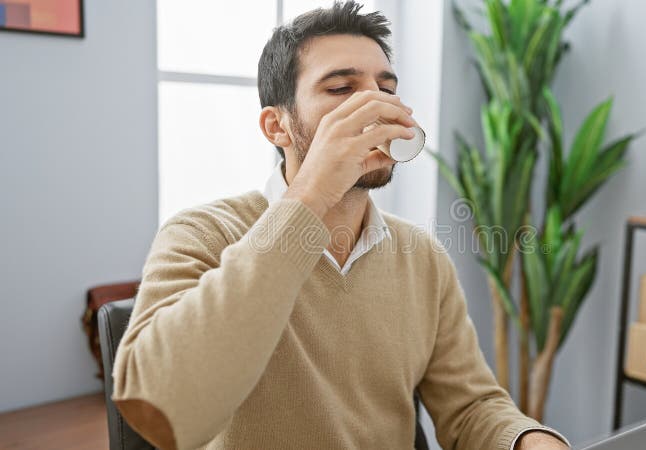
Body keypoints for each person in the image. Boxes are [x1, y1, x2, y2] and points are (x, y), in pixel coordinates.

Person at [111, 2, 570, 449]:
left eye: (385, 90)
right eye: (341, 89)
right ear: (277, 127)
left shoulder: (423, 255)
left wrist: (528, 441)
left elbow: (471, 408)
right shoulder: (201, 234)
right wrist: (310, 196)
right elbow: (163, 411)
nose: (375, 108)